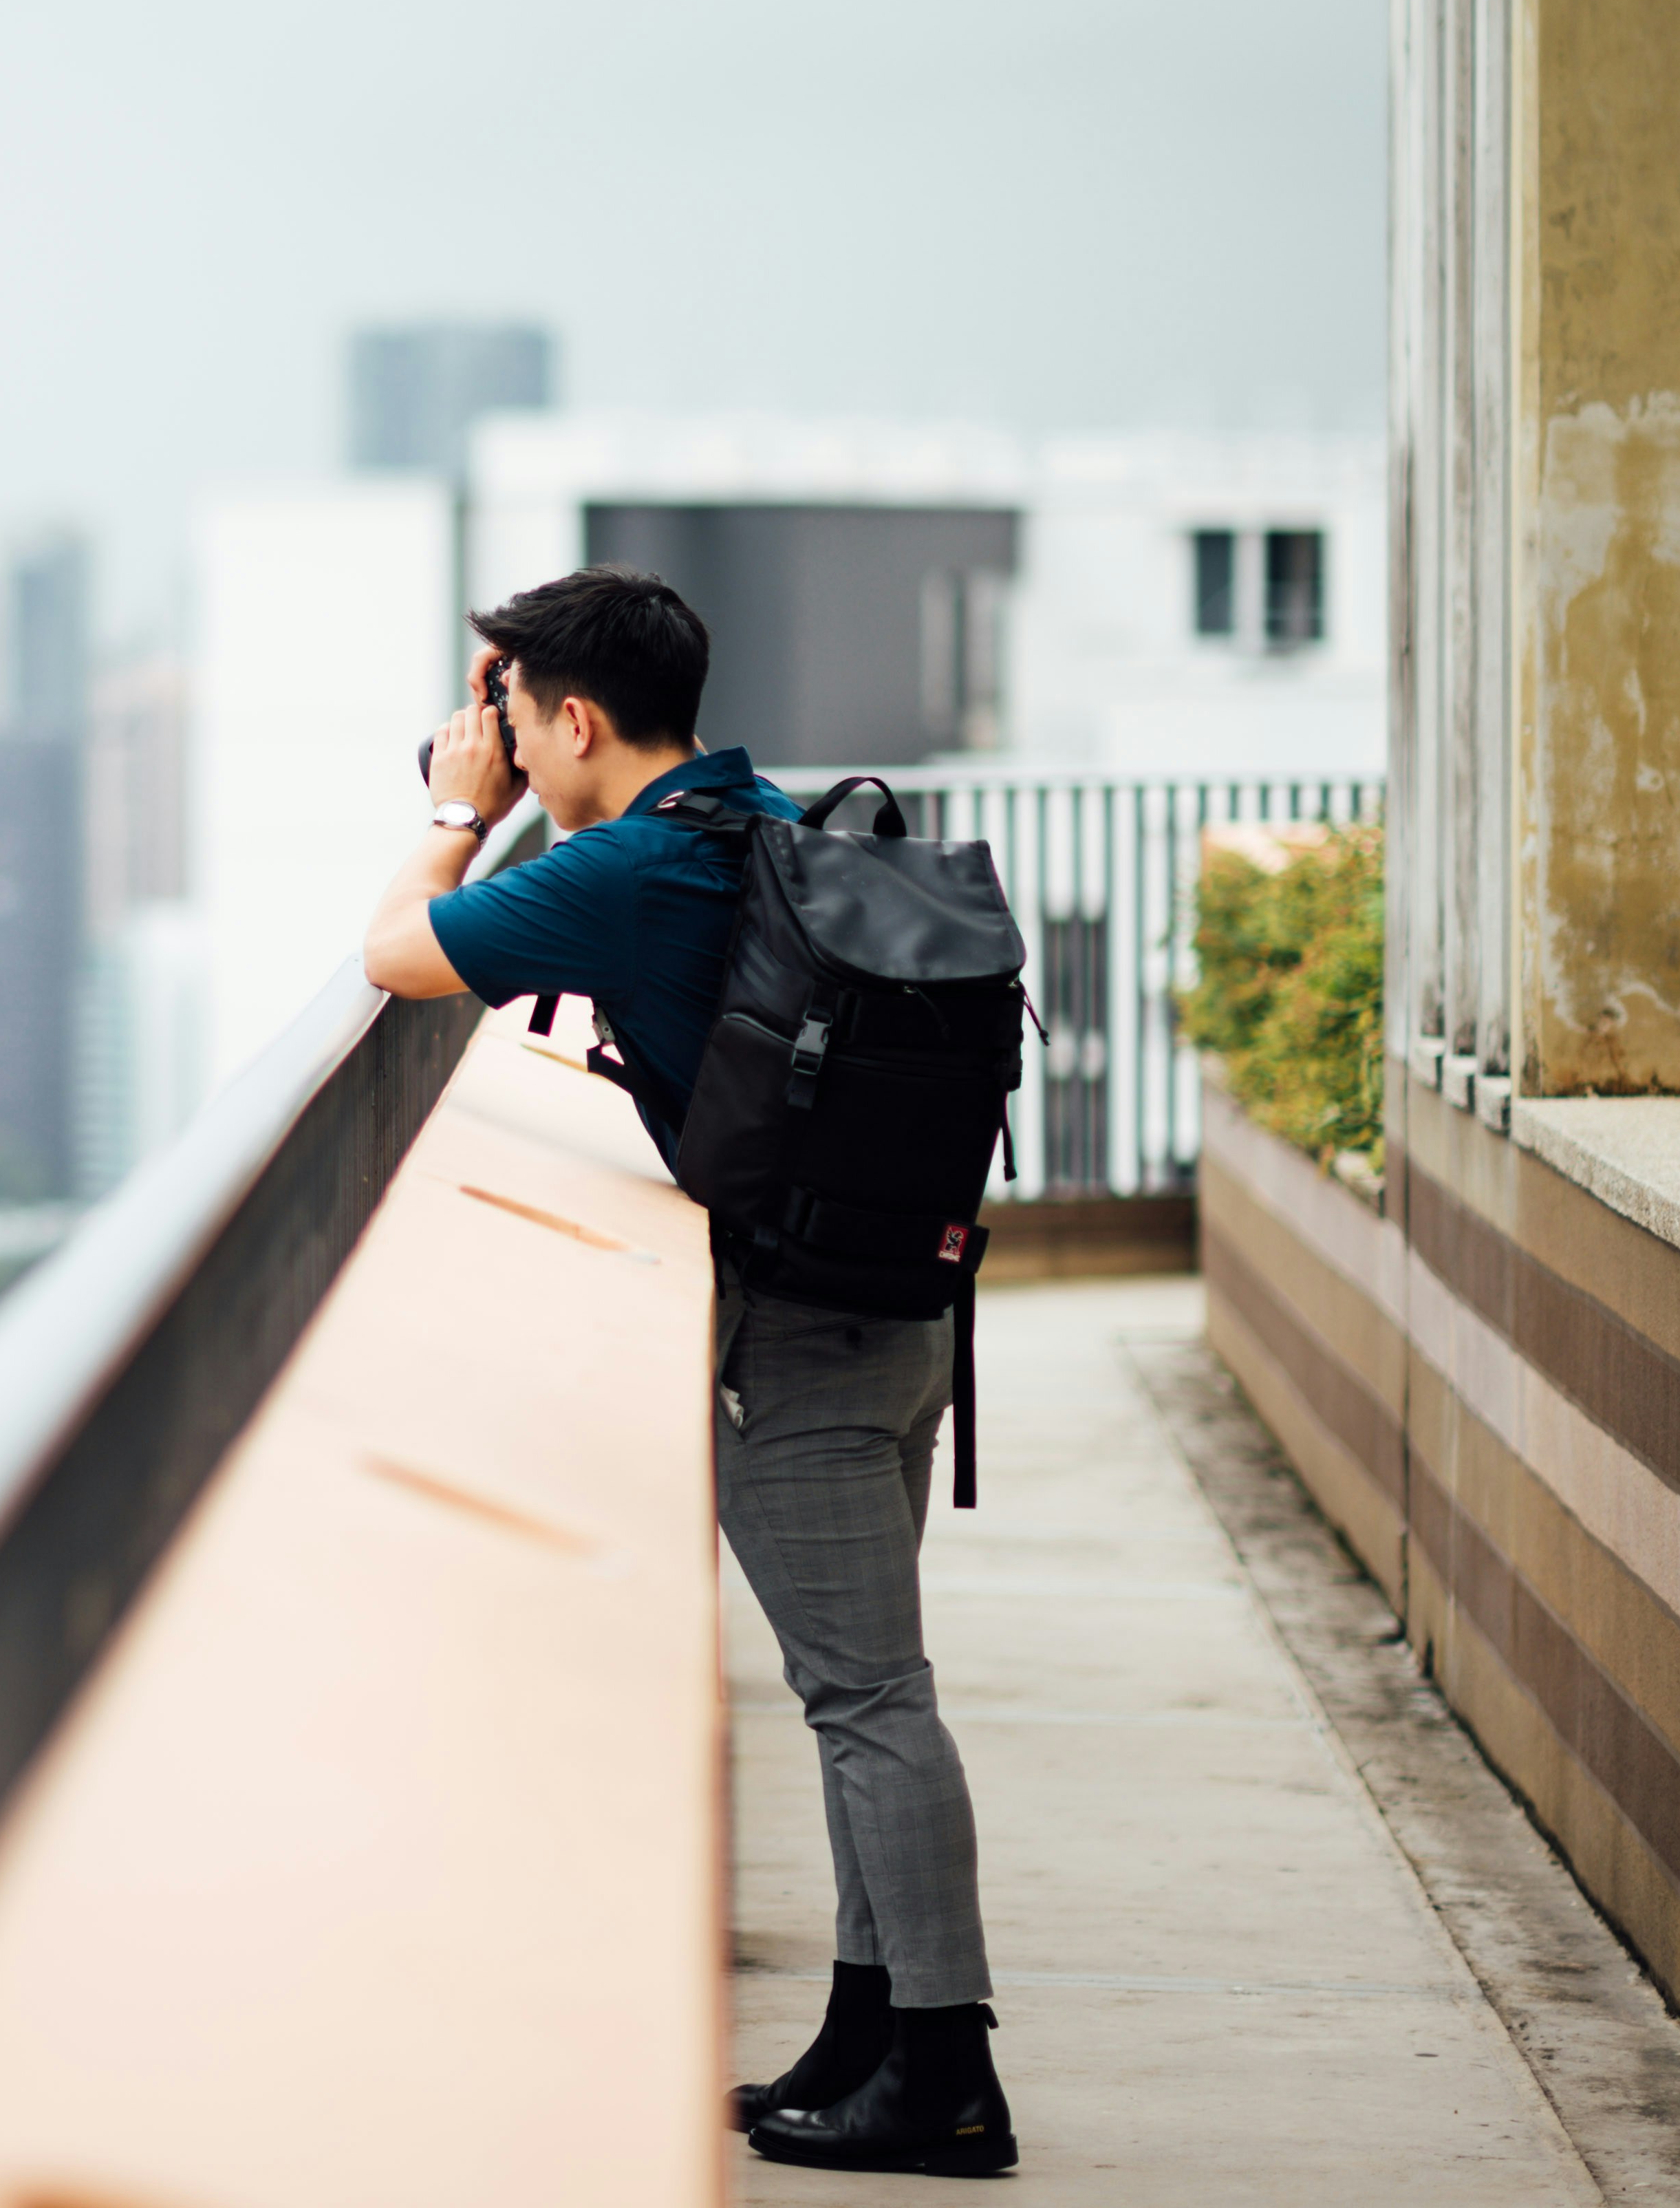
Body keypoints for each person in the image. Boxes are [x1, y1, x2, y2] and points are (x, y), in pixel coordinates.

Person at [358, 564, 1014, 2179]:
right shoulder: (761, 816)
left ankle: (943, 2069)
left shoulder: (631, 870)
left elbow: (392, 954)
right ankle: (871, 2032)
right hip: (901, 1308)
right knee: (861, 1688)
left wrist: (457, 809)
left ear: (571, 716)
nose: (499, 739)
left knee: (870, 1697)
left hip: (800, 1334)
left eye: (511, 712)